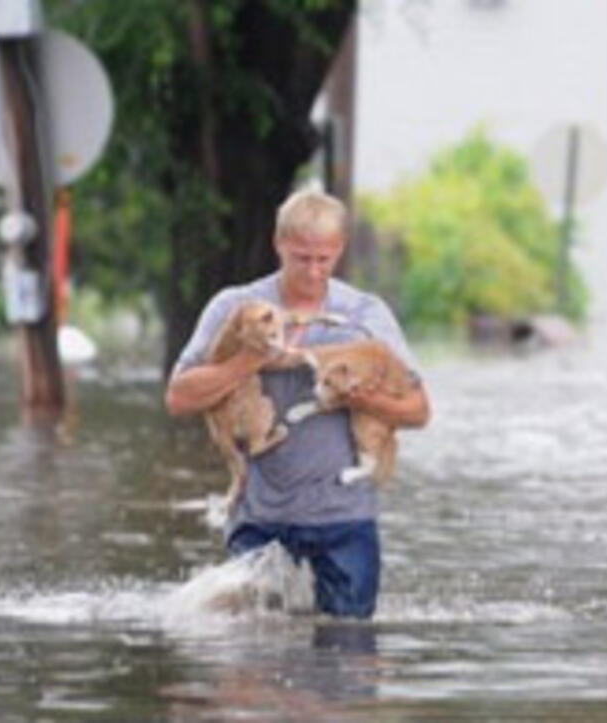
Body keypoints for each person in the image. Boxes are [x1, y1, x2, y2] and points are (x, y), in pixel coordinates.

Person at [164, 189, 430, 618]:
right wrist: (251, 361)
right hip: (259, 517)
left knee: (347, 660)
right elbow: (179, 397)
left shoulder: (365, 314)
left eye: (324, 259)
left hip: (344, 520)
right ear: (278, 244)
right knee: (248, 661)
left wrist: (364, 396)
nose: (312, 271)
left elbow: (418, 410)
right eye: (301, 257)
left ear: (340, 250)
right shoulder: (236, 308)